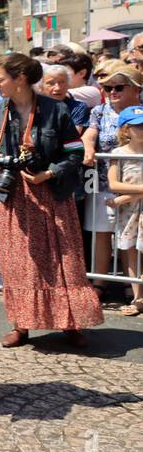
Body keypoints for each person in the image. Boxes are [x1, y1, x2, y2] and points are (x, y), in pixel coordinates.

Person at [0, 53, 103, 348]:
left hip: (52, 193)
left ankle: (71, 322)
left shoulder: (55, 110)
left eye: (0, 79)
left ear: (20, 78)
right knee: (19, 263)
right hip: (12, 196)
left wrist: (49, 173)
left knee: (64, 260)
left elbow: (75, 152)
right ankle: (20, 325)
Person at [83, 62, 142, 298]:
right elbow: (90, 133)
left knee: (133, 236)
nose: (112, 93)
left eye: (118, 87)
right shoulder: (99, 111)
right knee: (102, 232)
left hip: (136, 184)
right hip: (103, 181)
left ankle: (133, 286)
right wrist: (88, 147)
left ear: (136, 89)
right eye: (108, 88)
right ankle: (100, 283)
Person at [106, 105, 143, 315]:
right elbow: (113, 184)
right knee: (131, 254)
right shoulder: (118, 153)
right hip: (129, 214)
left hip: (133, 207)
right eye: (138, 126)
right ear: (126, 130)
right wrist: (133, 194)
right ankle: (138, 298)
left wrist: (125, 198)